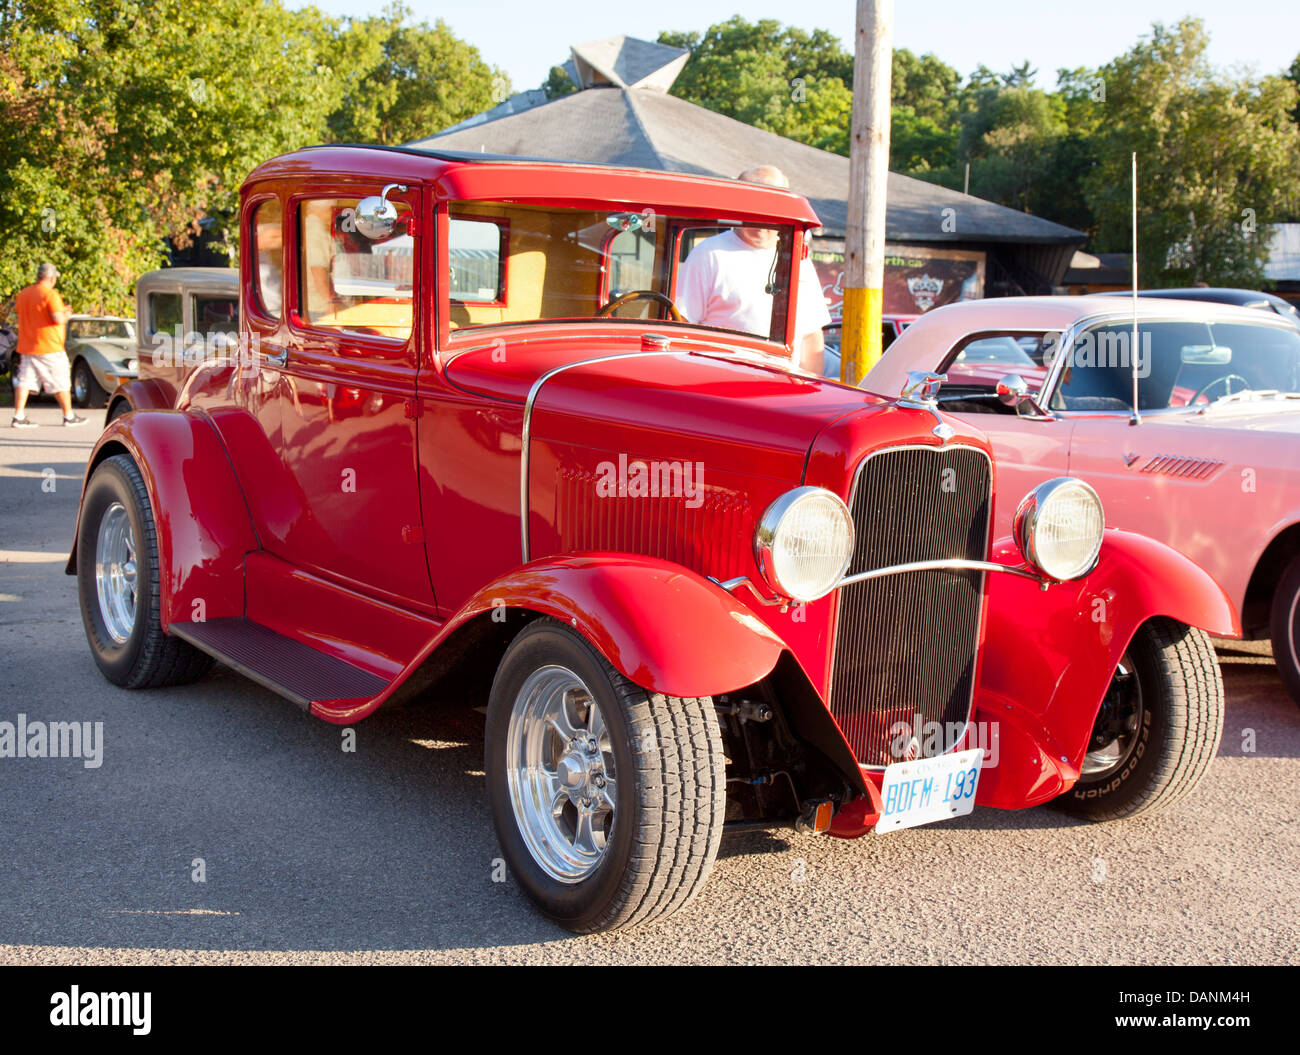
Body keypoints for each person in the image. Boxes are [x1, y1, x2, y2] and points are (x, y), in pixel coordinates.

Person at [675, 165, 832, 373]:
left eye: (771, 205)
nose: (762, 215)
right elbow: (683, 327)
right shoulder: (708, 255)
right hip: (721, 385)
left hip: (783, 390)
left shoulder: (799, 261)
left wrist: (810, 389)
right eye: (752, 205)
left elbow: (811, 336)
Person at [11, 262, 87, 427]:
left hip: (27, 345)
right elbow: (58, 319)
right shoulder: (50, 295)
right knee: (60, 381)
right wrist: (67, 313)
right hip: (49, 345)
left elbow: (22, 313)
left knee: (25, 381)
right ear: (52, 278)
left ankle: (18, 416)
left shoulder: (24, 294)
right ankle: (69, 416)